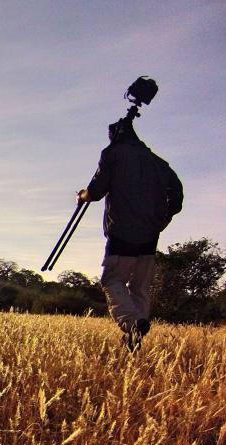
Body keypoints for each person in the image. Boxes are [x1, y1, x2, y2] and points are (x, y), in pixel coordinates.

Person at [77, 119, 183, 351]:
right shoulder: (157, 162)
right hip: (150, 235)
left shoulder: (112, 154)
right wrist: (165, 218)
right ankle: (135, 340)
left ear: (114, 136)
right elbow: (177, 193)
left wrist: (82, 196)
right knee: (140, 288)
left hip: (122, 233)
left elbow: (95, 191)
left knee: (111, 280)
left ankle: (133, 323)